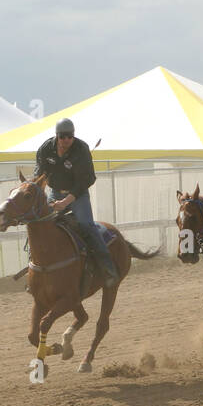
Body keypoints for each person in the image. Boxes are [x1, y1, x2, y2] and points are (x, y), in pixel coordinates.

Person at [34, 117, 119, 287]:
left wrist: (65, 202)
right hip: (55, 193)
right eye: (63, 136)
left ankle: (108, 269)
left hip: (77, 196)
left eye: (70, 136)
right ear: (56, 136)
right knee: (41, 225)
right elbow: (39, 174)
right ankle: (37, 271)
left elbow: (86, 180)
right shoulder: (45, 149)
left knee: (86, 225)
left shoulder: (81, 149)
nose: (67, 140)